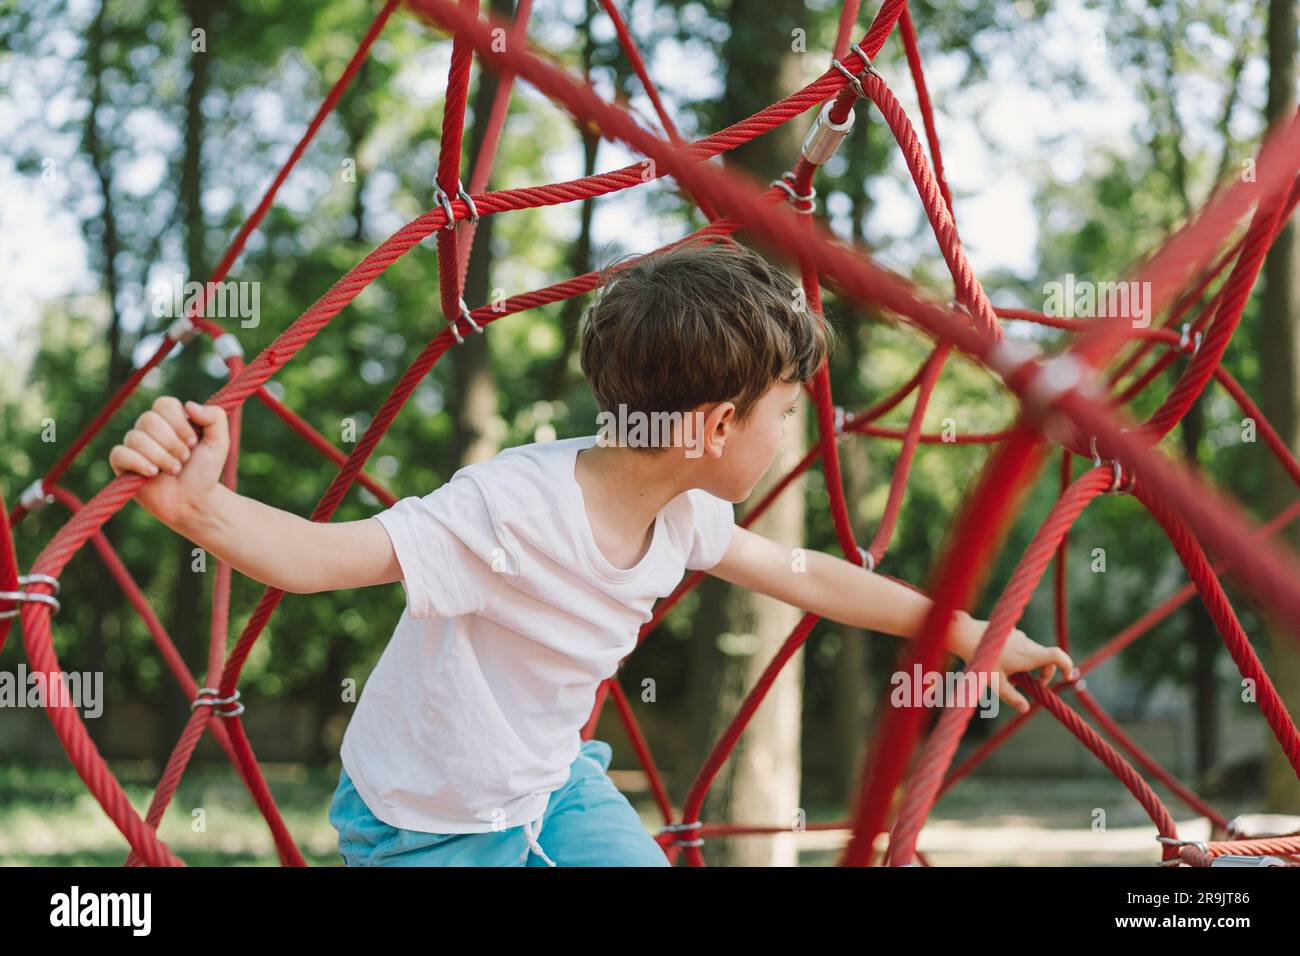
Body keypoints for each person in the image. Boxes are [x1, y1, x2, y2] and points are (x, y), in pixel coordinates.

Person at [108, 238, 1074, 866]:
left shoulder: (683, 510)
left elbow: (810, 576)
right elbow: (321, 559)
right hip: (428, 814)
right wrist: (200, 510)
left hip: (548, 780)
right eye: (781, 414)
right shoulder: (511, 506)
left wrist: (975, 631)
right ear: (714, 423)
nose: (789, 437)